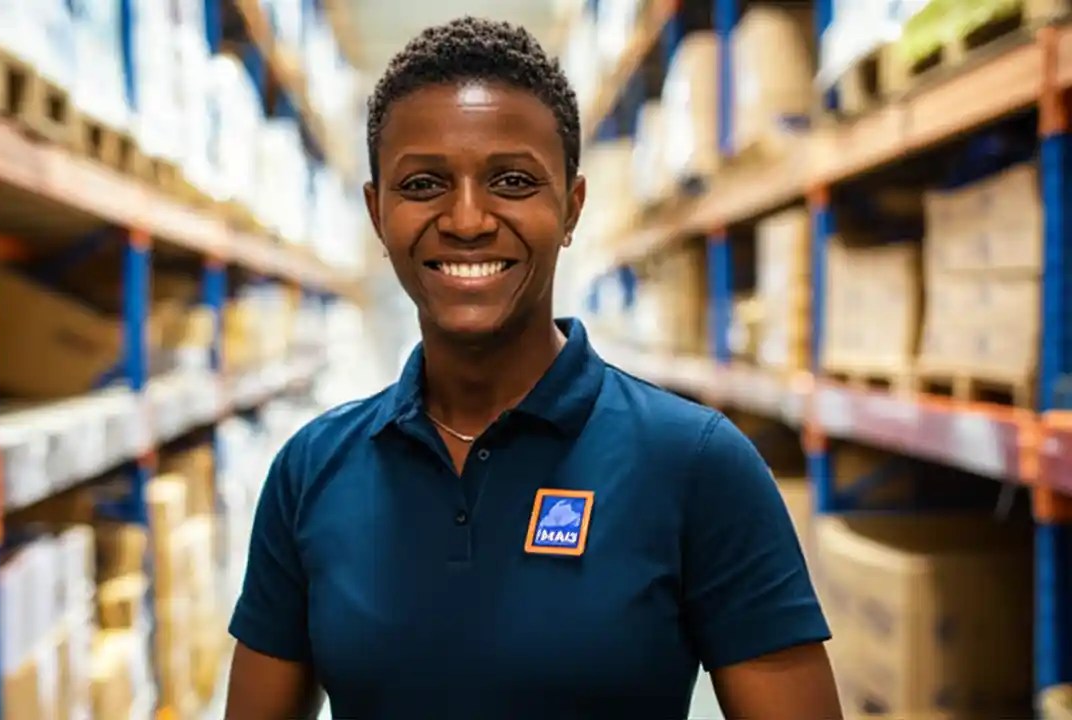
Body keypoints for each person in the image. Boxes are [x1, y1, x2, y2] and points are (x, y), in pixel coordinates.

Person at [225, 16, 840, 720]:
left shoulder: (698, 465)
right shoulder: (310, 474)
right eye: (423, 183)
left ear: (571, 207)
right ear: (377, 211)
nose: (466, 219)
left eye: (512, 180)